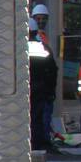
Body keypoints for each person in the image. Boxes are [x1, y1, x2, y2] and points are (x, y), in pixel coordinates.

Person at [29, 14, 59, 152]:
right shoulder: (43, 48)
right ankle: (40, 143)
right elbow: (52, 71)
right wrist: (50, 91)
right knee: (39, 118)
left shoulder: (15, 49)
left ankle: (32, 143)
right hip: (40, 90)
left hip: (25, 90)